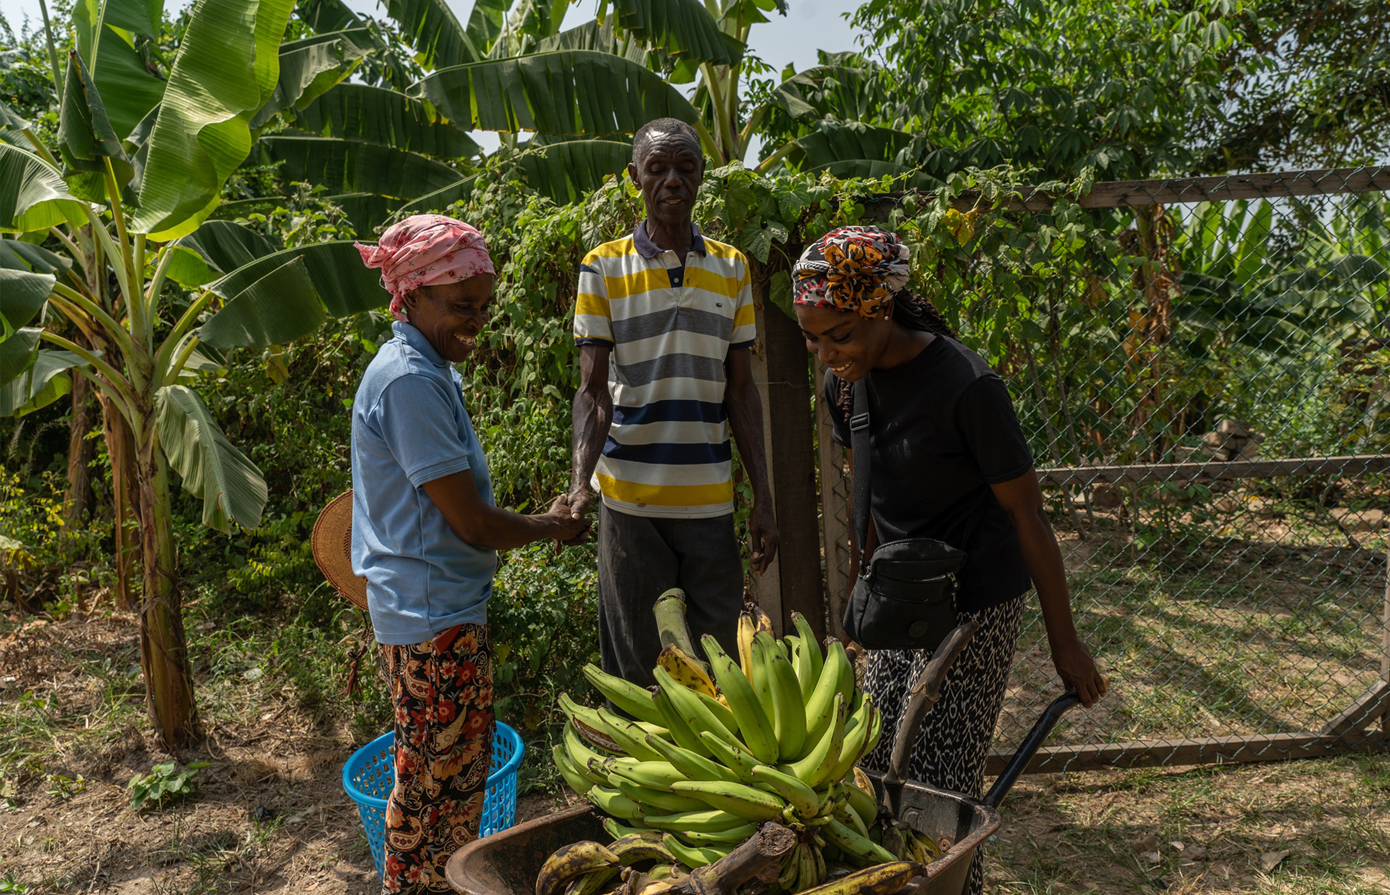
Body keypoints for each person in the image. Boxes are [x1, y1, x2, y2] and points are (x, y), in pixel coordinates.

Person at [791, 225, 1106, 895]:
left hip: (973, 598)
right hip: (901, 590)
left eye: (839, 335)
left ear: (880, 308)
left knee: (940, 783)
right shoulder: (847, 385)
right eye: (812, 340)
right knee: (875, 761)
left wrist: (1066, 642)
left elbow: (1028, 515)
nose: (826, 354)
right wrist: (862, 595)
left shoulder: (967, 387)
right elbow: (870, 494)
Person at [352, 215, 587, 894]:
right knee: (434, 797)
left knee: (443, 788)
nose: (477, 321)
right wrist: (553, 525)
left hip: (436, 612)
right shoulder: (409, 381)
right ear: (414, 295)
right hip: (434, 621)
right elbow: (473, 523)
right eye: (462, 305)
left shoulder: (426, 369)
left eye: (483, 306)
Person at [567, 118, 780, 687]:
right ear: (635, 177)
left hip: (709, 500)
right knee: (638, 665)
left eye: (685, 168)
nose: (672, 181)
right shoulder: (602, 267)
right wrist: (579, 486)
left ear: (701, 175)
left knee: (721, 663)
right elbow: (592, 392)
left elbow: (741, 391)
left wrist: (763, 499)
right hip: (629, 500)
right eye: (657, 169)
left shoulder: (732, 267)